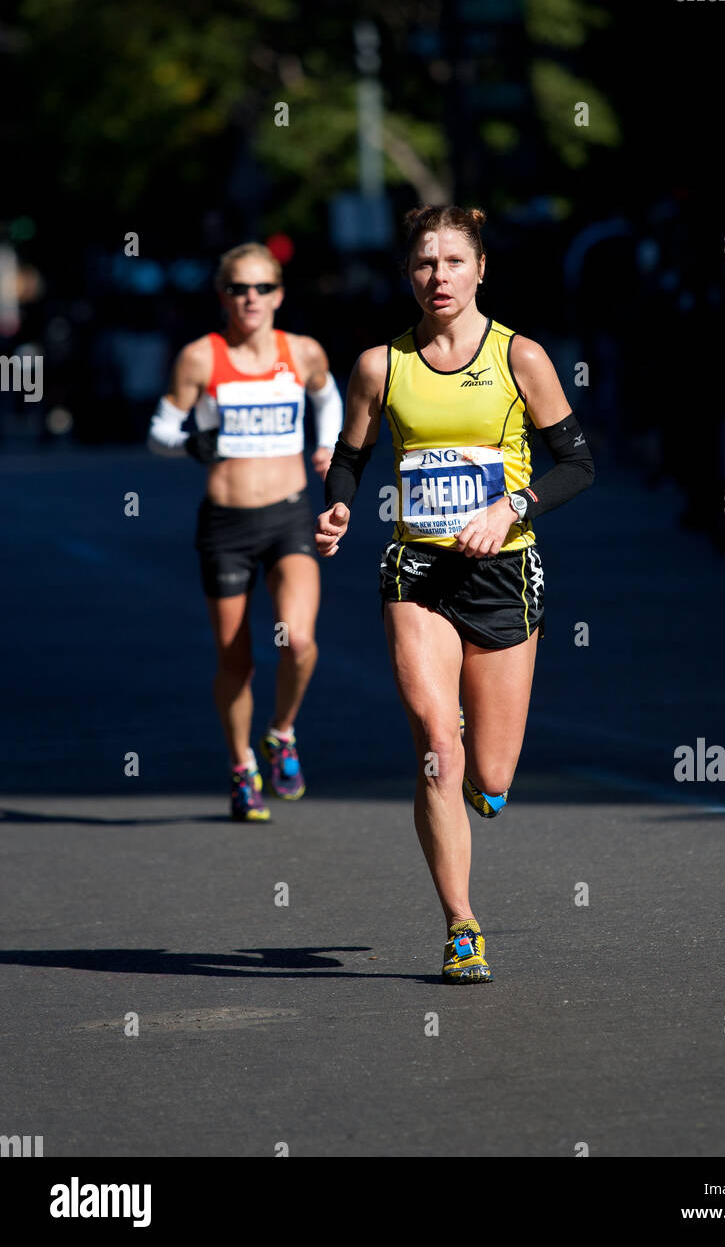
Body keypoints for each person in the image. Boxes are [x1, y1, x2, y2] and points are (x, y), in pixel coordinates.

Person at [315, 206, 594, 981]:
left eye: (453, 262)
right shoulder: (381, 365)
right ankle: (461, 924)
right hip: (417, 574)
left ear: (480, 270)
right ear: (409, 274)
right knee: (438, 749)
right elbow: (350, 457)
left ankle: (479, 766)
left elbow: (578, 464)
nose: (438, 277)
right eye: (424, 264)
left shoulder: (521, 357)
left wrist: (514, 505)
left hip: (504, 573)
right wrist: (339, 504)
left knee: (491, 777)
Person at [148, 242, 342, 820]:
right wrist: (187, 443)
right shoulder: (201, 358)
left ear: (279, 294)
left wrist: (327, 445)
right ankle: (241, 766)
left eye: (261, 287)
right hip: (226, 524)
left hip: (288, 516)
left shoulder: (302, 352)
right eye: (238, 288)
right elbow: (159, 429)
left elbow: (329, 397)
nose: (250, 298)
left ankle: (280, 733)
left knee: (299, 641)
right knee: (237, 661)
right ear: (222, 295)